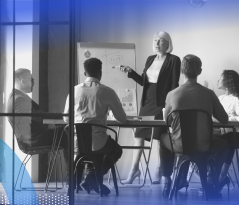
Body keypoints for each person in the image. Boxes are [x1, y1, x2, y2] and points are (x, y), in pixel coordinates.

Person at [159, 54, 229, 197]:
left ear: (181, 71)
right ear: (200, 71)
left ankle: (167, 180)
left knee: (162, 139)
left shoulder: (171, 94)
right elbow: (224, 119)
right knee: (225, 145)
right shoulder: (209, 94)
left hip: (179, 146)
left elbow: (168, 122)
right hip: (204, 146)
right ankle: (211, 180)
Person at [118, 31, 181, 184]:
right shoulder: (150, 59)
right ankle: (134, 170)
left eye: (161, 40)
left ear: (167, 44)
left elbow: (174, 84)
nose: (157, 43)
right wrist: (131, 73)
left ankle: (160, 169)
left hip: (162, 103)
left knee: (160, 137)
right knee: (138, 135)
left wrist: (170, 105)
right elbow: (143, 81)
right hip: (146, 102)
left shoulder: (174, 60)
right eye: (155, 40)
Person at [64, 58, 127, 196]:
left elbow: (66, 118)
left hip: (76, 145)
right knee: (116, 150)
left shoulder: (73, 91)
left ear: (85, 72)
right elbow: (122, 119)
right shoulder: (107, 92)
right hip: (99, 144)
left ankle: (89, 178)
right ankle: (91, 177)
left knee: (85, 151)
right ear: (100, 72)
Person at [7, 68, 68, 178]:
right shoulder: (20, 99)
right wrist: (65, 115)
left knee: (66, 132)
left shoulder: (14, 97)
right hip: (34, 140)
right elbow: (39, 116)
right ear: (23, 81)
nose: (34, 83)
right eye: (32, 79)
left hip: (29, 139)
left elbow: (36, 116)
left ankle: (75, 176)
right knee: (68, 134)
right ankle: (73, 177)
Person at [216, 70, 239, 134]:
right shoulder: (220, 98)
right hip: (220, 132)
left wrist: (227, 118)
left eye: (220, 78)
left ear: (227, 82)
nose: (218, 81)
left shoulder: (237, 98)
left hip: (231, 135)